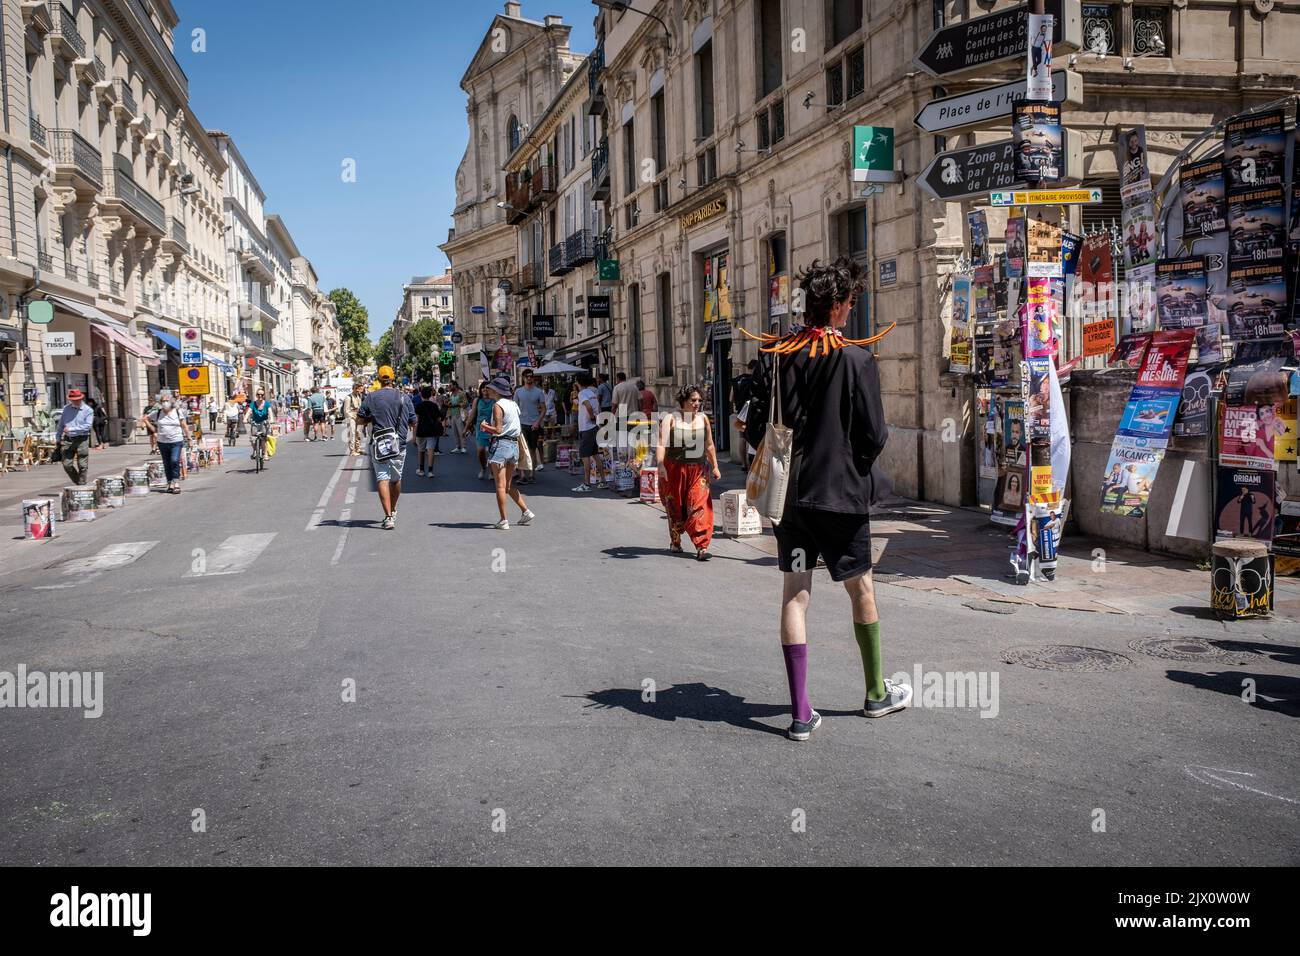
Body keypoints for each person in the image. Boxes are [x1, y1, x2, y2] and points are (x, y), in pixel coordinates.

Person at [746, 257, 908, 741]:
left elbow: (756, 427)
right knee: (862, 590)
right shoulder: (858, 359)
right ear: (837, 306)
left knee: (795, 595)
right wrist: (853, 464)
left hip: (790, 500)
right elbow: (875, 433)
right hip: (841, 498)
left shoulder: (776, 355)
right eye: (851, 303)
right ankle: (876, 693)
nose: (851, 311)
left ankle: (800, 714)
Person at [656, 385, 720, 559]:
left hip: (698, 470)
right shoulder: (670, 418)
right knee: (675, 507)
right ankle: (675, 541)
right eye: (693, 400)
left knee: (700, 505)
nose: (697, 403)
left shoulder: (703, 419)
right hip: (674, 470)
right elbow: (661, 443)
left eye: (699, 400)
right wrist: (660, 465)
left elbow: (709, 445)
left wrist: (714, 466)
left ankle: (702, 547)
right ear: (683, 401)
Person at [357, 366, 416, 531]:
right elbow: (413, 421)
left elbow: (360, 420)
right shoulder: (404, 397)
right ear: (392, 378)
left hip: (380, 442)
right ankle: (394, 509)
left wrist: (372, 418)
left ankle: (388, 517)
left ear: (379, 379)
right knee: (396, 478)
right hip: (399, 443)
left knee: (382, 477)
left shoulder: (371, 397)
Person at [479, 377, 536, 530]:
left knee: (500, 485)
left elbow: (497, 430)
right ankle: (526, 511)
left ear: (496, 390)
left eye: (490, 388)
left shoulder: (497, 405)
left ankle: (504, 520)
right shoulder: (513, 404)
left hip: (501, 445)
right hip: (513, 446)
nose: (487, 390)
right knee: (508, 485)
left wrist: (484, 427)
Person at [143, 396, 191, 493]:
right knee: (167, 463)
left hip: (176, 441)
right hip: (162, 442)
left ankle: (176, 482)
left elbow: (184, 425)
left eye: (167, 400)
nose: (165, 402)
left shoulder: (177, 412)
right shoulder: (158, 412)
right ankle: (170, 483)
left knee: (174, 460)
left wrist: (189, 438)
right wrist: (153, 430)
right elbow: (145, 418)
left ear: (171, 402)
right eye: (163, 401)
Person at [571, 371, 608, 492]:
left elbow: (588, 406)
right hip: (594, 427)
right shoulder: (592, 393)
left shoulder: (582, 393)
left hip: (587, 428)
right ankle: (603, 481)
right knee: (596, 455)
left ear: (578, 382)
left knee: (585, 455)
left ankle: (586, 483)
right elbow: (597, 407)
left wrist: (591, 416)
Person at [514, 369, 547, 482]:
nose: (529, 378)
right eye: (527, 376)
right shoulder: (518, 392)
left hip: (534, 424)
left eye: (531, 376)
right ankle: (522, 475)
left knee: (532, 449)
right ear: (523, 378)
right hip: (521, 424)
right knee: (522, 450)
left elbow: (543, 409)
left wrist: (537, 422)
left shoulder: (539, 392)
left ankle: (532, 474)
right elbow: (515, 409)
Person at [57, 389, 95, 485]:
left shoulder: (88, 410)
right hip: (68, 440)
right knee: (67, 464)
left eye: (78, 399)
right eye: (73, 400)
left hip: (82, 439)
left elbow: (88, 425)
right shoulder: (66, 408)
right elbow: (61, 424)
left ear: (81, 398)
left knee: (82, 465)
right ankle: (79, 482)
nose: (76, 401)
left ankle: (81, 483)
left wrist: (71, 429)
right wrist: (58, 437)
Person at [414, 385, 443, 477]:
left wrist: (414, 436)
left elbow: (416, 421)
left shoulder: (418, 406)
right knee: (431, 450)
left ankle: (421, 470)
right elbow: (439, 419)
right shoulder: (434, 406)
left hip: (421, 430)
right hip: (432, 430)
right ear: (430, 395)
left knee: (421, 450)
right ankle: (430, 471)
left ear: (421, 395)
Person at [243, 388, 276, 465]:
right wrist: (245, 418)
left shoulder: (267, 403)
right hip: (255, 422)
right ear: (256, 395)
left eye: (262, 394)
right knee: (252, 438)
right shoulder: (253, 404)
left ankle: (265, 454)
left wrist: (271, 419)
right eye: (258, 394)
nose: (260, 396)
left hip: (264, 422)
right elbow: (249, 412)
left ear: (264, 395)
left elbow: (270, 412)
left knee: (264, 438)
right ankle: (255, 450)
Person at [472, 382, 497, 480]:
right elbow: (473, 414)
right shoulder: (477, 400)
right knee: (480, 450)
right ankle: (483, 468)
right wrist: (466, 428)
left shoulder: (494, 401)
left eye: (487, 388)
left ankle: (492, 471)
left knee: (492, 452)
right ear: (480, 389)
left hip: (492, 428)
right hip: (480, 428)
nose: (485, 390)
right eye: (483, 388)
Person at [341, 381, 366, 456]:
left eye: (360, 389)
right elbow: (346, 410)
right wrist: (351, 418)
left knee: (358, 433)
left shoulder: (359, 396)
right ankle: (352, 450)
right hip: (351, 416)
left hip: (358, 416)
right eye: (357, 389)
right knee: (352, 433)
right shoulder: (348, 397)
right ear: (354, 389)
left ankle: (358, 448)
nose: (359, 391)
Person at [446, 382, 469, 453]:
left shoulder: (461, 393)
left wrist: (457, 404)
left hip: (459, 414)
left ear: (455, 386)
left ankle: (463, 447)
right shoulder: (451, 394)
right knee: (454, 432)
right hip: (452, 414)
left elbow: (466, 403)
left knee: (461, 431)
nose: (449, 387)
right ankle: (457, 446)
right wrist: (448, 403)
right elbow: (450, 402)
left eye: (450, 385)